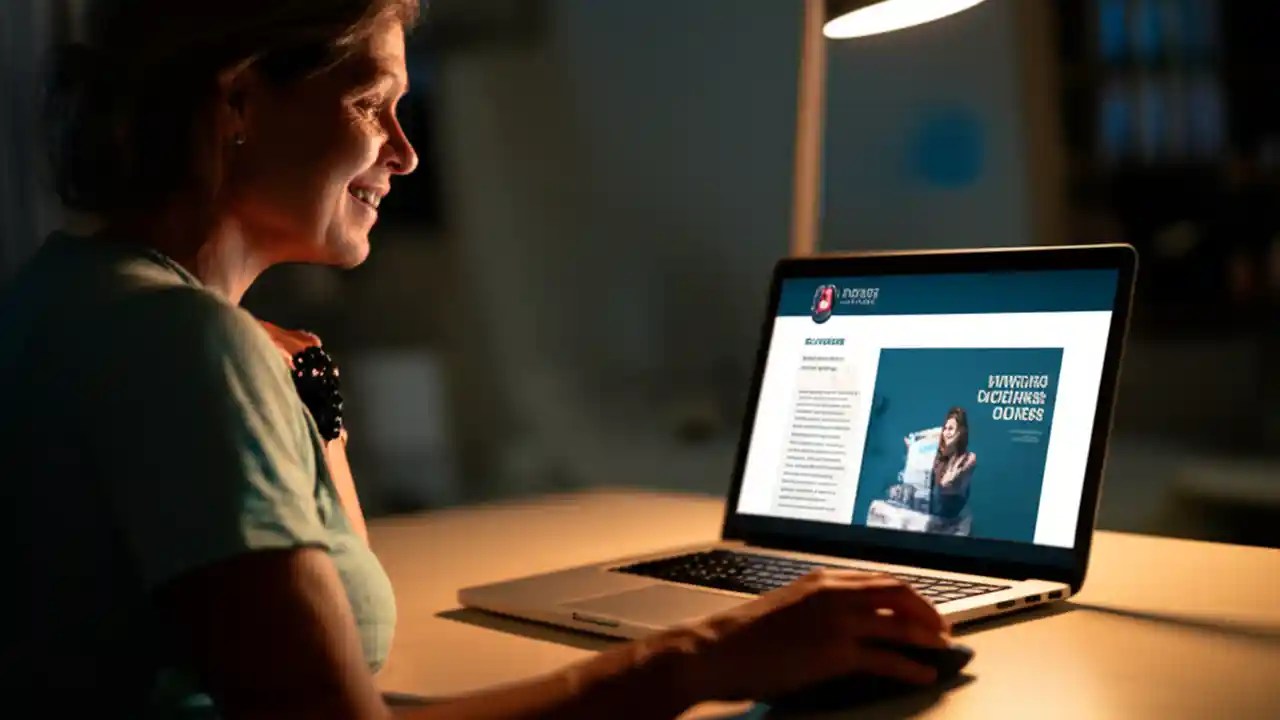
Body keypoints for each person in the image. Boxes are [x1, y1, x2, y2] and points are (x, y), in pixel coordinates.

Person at [0, 1, 954, 717]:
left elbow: (323, 658)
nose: (407, 155)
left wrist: (288, 397)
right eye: (374, 104)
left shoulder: (68, 296)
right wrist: (703, 656)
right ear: (240, 99)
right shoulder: (185, 347)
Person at [929, 408, 978, 524]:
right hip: (933, 507)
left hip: (950, 510)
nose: (946, 433)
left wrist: (956, 470)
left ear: (960, 432)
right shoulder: (939, 454)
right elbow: (930, 433)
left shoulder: (969, 458)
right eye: (945, 429)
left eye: (951, 429)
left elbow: (945, 484)